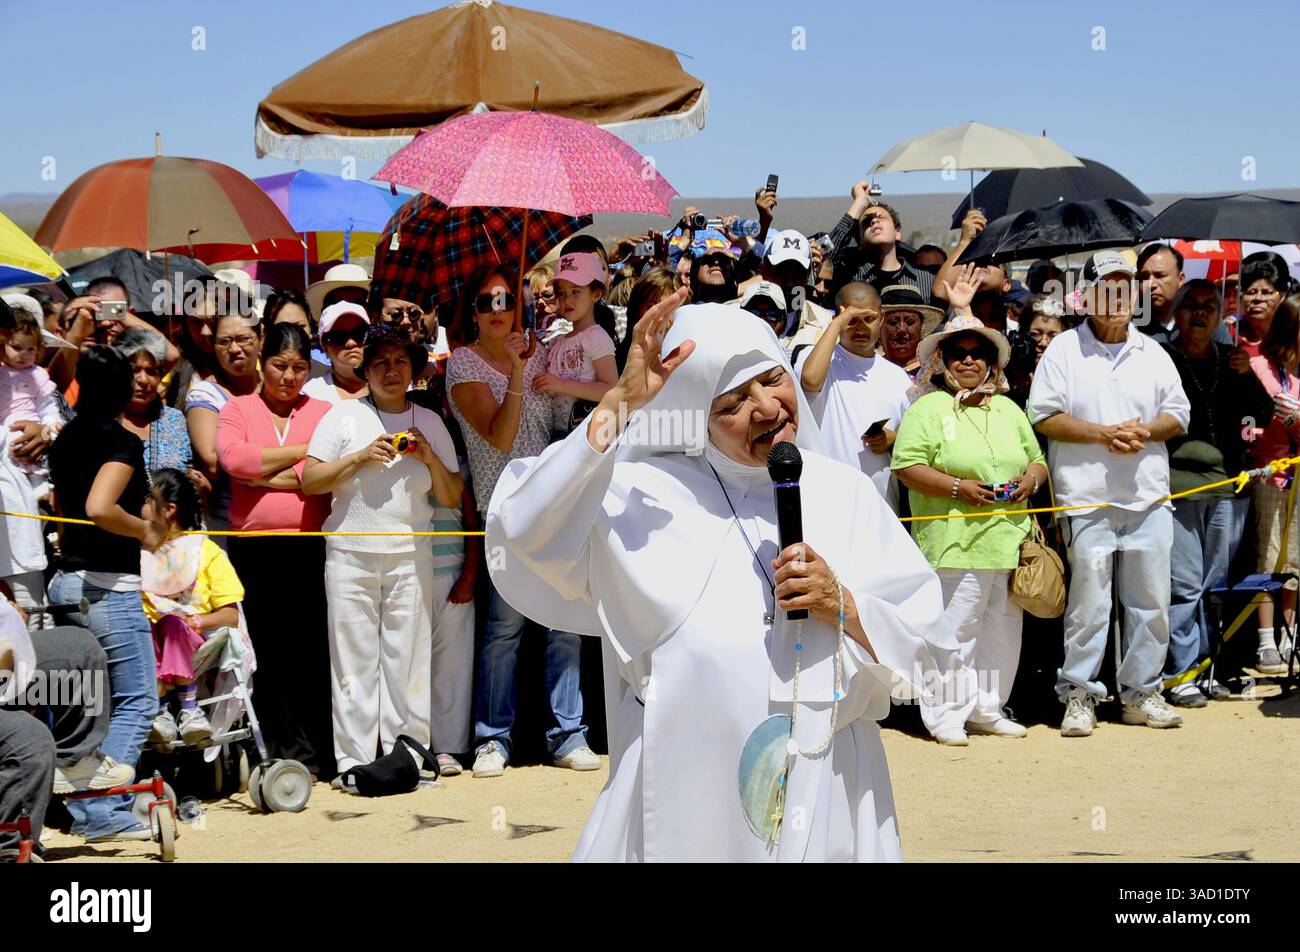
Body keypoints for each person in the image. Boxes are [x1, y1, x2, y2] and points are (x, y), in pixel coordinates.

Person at [487, 296, 945, 861]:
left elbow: (928, 646)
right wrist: (619, 401)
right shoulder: (644, 492)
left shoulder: (844, 491)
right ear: (693, 410)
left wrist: (843, 603)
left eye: (773, 380)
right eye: (733, 401)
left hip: (826, 777)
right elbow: (526, 532)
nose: (767, 408)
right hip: (679, 777)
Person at [1027, 250, 1191, 736]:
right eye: (1106, 287)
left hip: (1148, 499)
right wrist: (1104, 434)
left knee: (1151, 602)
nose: (1117, 297)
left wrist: (1145, 432)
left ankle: (1142, 693)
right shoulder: (1063, 350)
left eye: (1125, 286)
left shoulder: (1153, 352)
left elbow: (1177, 414)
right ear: (1088, 296)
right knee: (1090, 605)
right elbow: (1044, 416)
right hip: (1086, 499)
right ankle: (1079, 696)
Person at [447, 268, 599, 777]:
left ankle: (568, 733)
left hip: (554, 505)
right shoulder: (462, 365)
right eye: (486, 300)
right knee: (503, 631)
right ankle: (493, 739)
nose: (497, 307)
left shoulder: (541, 349)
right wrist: (515, 369)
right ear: (472, 311)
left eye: (506, 298)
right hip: (502, 509)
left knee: (563, 626)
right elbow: (500, 437)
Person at [303, 325, 462, 774]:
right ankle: (353, 760)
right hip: (350, 553)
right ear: (366, 370)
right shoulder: (342, 417)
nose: (391, 371)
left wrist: (429, 457)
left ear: (413, 369)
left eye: (399, 361)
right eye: (380, 362)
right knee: (353, 659)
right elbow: (309, 480)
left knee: (408, 657)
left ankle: (407, 755)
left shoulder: (428, 422)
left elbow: (450, 496)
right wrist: (358, 457)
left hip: (410, 554)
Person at [892, 296, 1048, 745]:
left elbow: (1037, 460)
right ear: (941, 361)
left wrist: (1029, 483)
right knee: (955, 632)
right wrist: (959, 489)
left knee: (1002, 629)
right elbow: (906, 465)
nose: (967, 360)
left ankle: (987, 708)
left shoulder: (1009, 408)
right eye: (958, 353)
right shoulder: (927, 408)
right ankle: (944, 715)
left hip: (1008, 539)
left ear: (991, 363)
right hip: (954, 540)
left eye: (977, 354)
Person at [47, 346, 166, 841]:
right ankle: (101, 812)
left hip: (67, 583)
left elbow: (63, 504)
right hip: (105, 589)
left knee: (87, 705)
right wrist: (145, 530)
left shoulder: (65, 438)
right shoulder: (119, 441)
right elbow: (100, 506)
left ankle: (87, 808)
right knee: (138, 700)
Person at [217, 323, 336, 778]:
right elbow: (233, 461)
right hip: (255, 549)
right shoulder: (237, 408)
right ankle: (278, 752)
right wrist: (305, 455)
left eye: (299, 368)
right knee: (266, 651)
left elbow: (322, 474)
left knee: (309, 648)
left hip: (309, 546)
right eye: (279, 366)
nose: (289, 377)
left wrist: (263, 474)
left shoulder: (323, 409)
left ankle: (315, 754)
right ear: (263, 363)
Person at [1162, 281, 1270, 702]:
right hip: (1180, 488)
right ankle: (1182, 675)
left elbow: (1263, 413)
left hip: (1229, 487)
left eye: (1209, 306)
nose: (1200, 314)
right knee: (1184, 585)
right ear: (1176, 312)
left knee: (1216, 587)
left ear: (1219, 314)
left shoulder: (1233, 359)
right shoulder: (1163, 358)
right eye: (1191, 306)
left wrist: (1248, 375)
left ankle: (1209, 669)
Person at [141, 468, 245, 746]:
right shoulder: (140, 552)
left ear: (169, 509)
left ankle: (186, 709)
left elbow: (231, 615)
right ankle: (161, 712)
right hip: (150, 641)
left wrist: (196, 622)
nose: (142, 507)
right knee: (141, 625)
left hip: (190, 635)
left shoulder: (205, 551)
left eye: (149, 500)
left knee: (172, 623)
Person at [795, 282, 912, 511]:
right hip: (825, 501)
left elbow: (916, 441)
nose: (860, 328)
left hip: (882, 506)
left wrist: (894, 440)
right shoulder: (817, 357)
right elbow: (810, 380)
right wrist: (837, 324)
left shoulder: (899, 378)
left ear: (881, 318)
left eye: (869, 319)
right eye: (852, 320)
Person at [1245, 293, 1300, 676]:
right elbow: (1255, 420)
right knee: (1268, 553)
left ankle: (1291, 636)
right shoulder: (1259, 365)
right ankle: (1266, 639)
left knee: (1296, 557)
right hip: (1268, 473)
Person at [186, 312, 262, 537]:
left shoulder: (277, 384)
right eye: (224, 341)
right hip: (227, 523)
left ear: (261, 338)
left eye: (243, 339)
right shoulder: (205, 394)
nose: (234, 349)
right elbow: (212, 462)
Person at [538, 251, 618, 439]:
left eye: (576, 291)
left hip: (585, 433)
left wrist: (560, 385)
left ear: (596, 293)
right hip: (558, 432)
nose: (567, 300)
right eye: (561, 293)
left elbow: (611, 389)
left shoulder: (596, 336)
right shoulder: (557, 341)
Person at [825, 184, 935, 302]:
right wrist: (859, 203)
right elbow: (823, 258)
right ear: (860, 240)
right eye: (867, 221)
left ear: (897, 233)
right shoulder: (849, 275)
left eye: (881, 217)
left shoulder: (925, 280)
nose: (874, 221)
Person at [115, 327, 195, 476]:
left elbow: (185, 470)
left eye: (151, 372)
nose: (143, 380)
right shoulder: (101, 420)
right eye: (134, 370)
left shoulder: (173, 420)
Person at [0, 309, 61, 499]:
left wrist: (49, 430)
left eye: (30, 349)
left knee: (39, 451)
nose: (24, 355)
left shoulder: (38, 375)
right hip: (5, 429)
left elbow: (48, 407)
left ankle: (40, 488)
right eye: (17, 348)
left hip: (33, 425)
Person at [755, 230, 836, 351]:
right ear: (763, 269)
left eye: (798, 272)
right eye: (782, 271)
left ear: (808, 276)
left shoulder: (826, 324)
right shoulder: (736, 313)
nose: (790, 281)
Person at [1230, 251, 1291, 367]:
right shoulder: (1229, 334)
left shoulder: (1292, 338)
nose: (1258, 298)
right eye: (1251, 292)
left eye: (1266, 292)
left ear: (1282, 296)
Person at [302, 302, 370, 405]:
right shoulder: (312, 394)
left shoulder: (393, 383)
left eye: (359, 334)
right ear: (325, 347)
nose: (351, 343)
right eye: (339, 337)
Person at [876, 285, 945, 380]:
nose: (901, 329)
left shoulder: (937, 371)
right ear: (880, 326)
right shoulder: (870, 369)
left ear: (921, 326)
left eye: (910, 322)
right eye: (892, 322)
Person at [1136, 243, 1185, 342]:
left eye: (1160, 276)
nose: (1151, 284)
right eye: (1144, 277)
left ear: (1180, 279)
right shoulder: (1128, 328)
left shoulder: (1204, 322)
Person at [688, 229, 741, 305]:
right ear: (695, 270)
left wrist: (743, 242)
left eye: (723, 259)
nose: (716, 262)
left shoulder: (744, 309)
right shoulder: (683, 310)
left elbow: (763, 275)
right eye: (708, 259)